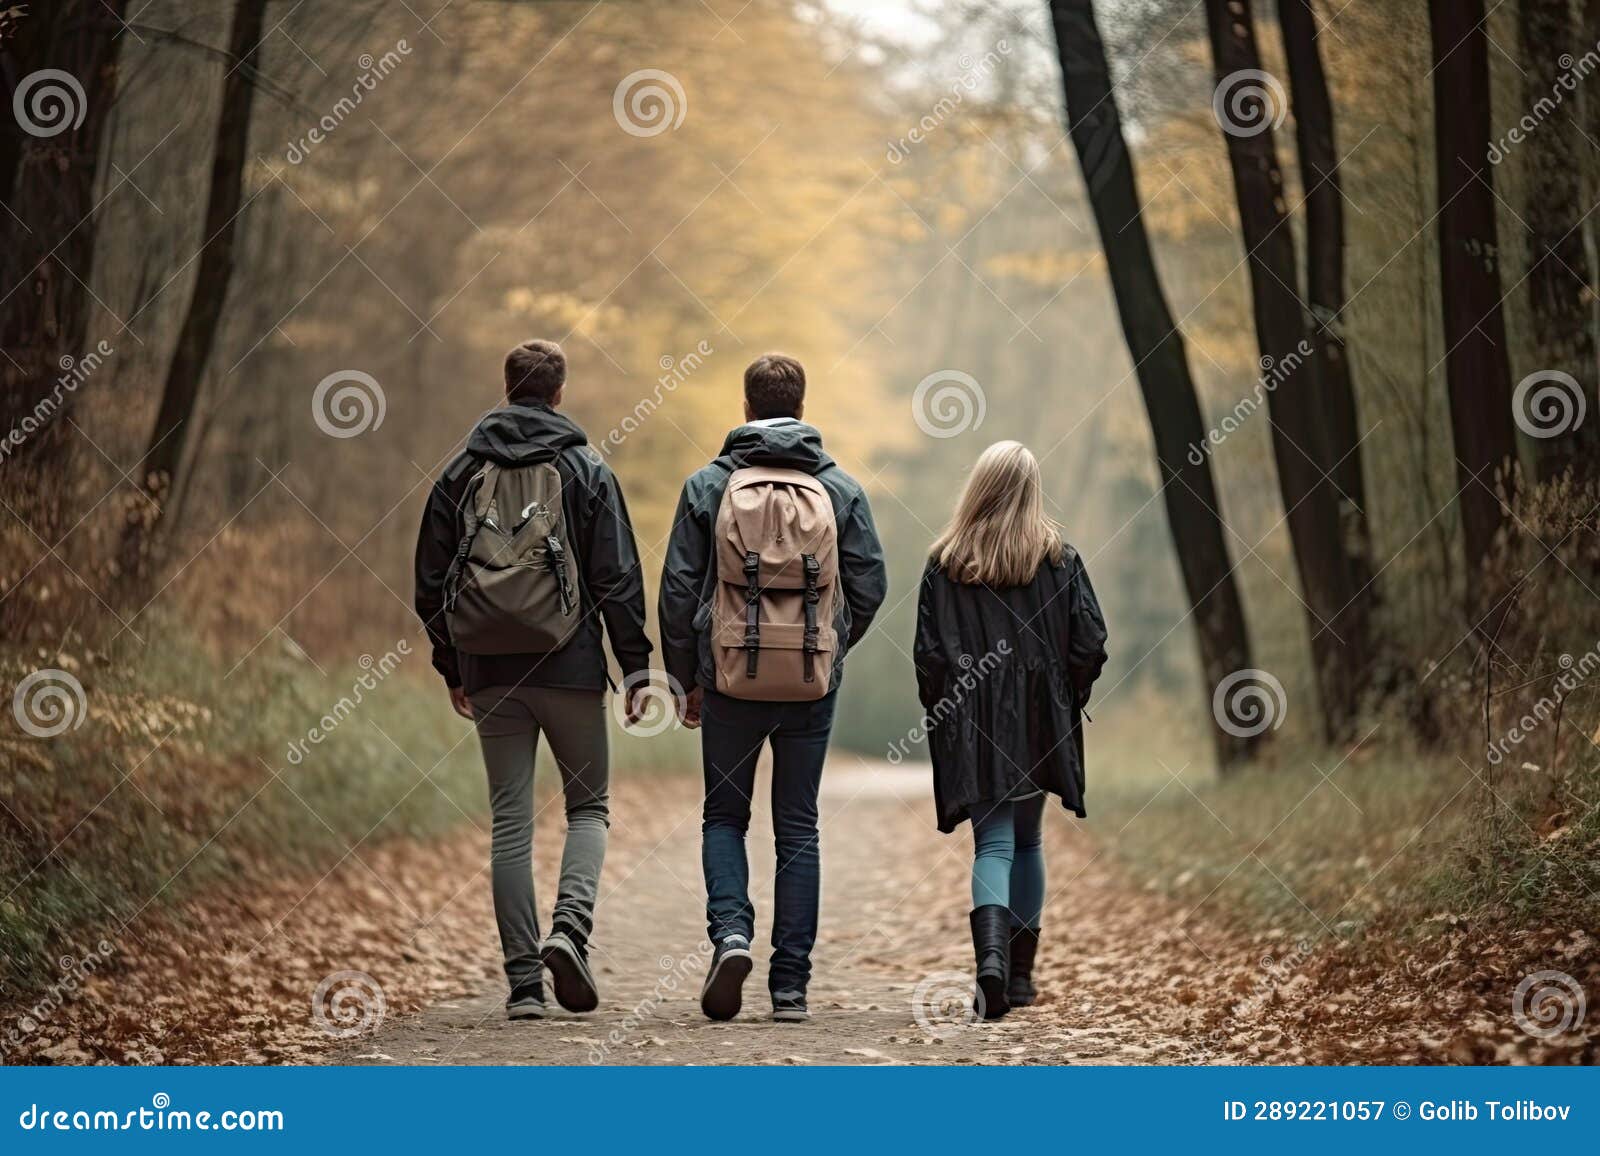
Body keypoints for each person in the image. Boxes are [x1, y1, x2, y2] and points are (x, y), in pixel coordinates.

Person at [414, 338, 652, 1021]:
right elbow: (616, 574)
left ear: (506, 385)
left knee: (511, 822)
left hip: (491, 669)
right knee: (589, 808)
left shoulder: (461, 469)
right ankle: (569, 931)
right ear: (559, 392)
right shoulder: (585, 467)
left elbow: (430, 582)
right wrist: (635, 666)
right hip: (573, 666)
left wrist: (453, 664)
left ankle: (523, 985)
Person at [659, 353, 887, 1023]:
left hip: (729, 680)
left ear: (745, 408)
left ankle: (732, 934)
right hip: (811, 685)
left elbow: (677, 590)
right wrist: (828, 647)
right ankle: (790, 987)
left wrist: (686, 678)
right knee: (799, 827)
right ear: (803, 406)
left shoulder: (707, 485)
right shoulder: (839, 488)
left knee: (725, 816)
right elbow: (871, 586)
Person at [913, 440, 1107, 1021]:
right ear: (1031, 493)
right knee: (1029, 841)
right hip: (1042, 716)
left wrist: (946, 711)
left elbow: (928, 655)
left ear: (978, 489)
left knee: (993, 843)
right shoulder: (1060, 561)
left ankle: (989, 967)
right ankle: (1020, 979)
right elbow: (1090, 643)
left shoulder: (944, 565)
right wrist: (1069, 692)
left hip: (975, 720)